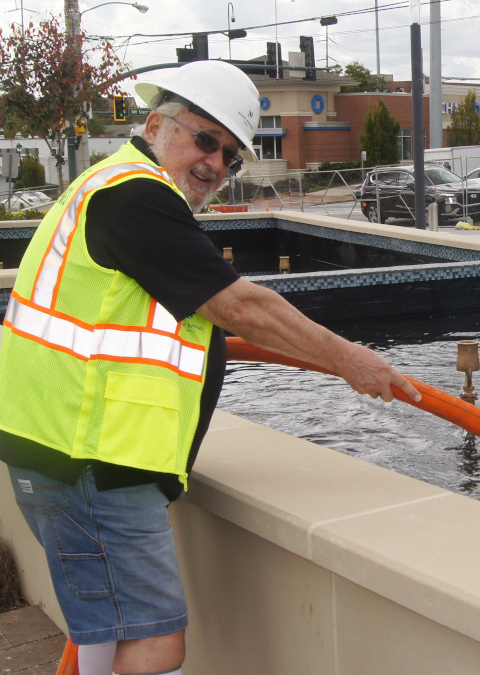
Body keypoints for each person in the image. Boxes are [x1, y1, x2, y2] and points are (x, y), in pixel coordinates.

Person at [0, 61, 420, 675]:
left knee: (106, 629)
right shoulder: (135, 198)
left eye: (231, 155)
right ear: (155, 125)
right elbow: (242, 305)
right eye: (205, 140)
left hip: (63, 451)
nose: (216, 164)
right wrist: (349, 359)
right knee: (153, 641)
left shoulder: (108, 185)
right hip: (89, 465)